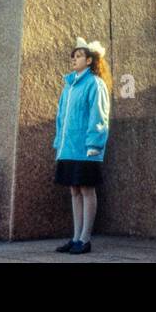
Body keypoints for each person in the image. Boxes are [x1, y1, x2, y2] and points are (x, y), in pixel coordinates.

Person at [52, 37, 111, 256]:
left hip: (86, 148)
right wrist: (59, 142)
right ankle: (75, 237)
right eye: (73, 56)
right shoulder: (69, 86)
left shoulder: (95, 83)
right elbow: (61, 117)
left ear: (89, 60)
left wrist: (95, 143)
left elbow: (99, 114)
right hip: (68, 148)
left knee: (86, 189)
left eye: (79, 56)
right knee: (74, 190)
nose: (74, 60)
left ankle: (85, 238)